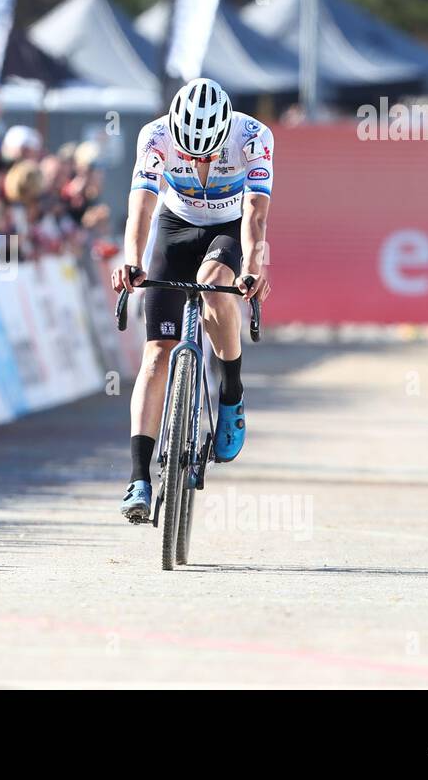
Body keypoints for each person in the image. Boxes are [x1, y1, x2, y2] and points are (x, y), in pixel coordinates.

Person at [109, 78, 273, 522]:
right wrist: (130, 260)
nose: (200, 160)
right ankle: (139, 477)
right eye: (192, 152)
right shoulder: (156, 136)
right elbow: (140, 206)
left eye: (209, 152)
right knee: (156, 356)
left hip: (229, 226)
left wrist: (254, 268)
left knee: (214, 281)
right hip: (175, 225)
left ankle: (231, 390)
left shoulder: (254, 137)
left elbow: (256, 215)